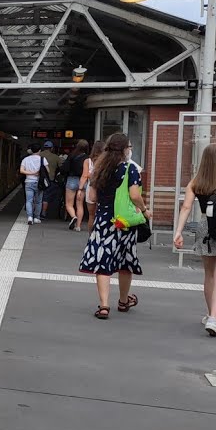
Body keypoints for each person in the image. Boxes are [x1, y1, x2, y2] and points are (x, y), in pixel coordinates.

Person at [80, 133, 149, 319]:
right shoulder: (130, 169)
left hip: (103, 221)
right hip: (123, 222)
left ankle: (104, 305)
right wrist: (144, 210)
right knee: (125, 261)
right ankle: (124, 301)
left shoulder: (99, 169)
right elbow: (135, 195)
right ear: (125, 149)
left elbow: (92, 198)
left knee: (103, 261)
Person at [172, 143, 216, 337]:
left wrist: (178, 232)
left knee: (209, 275)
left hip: (206, 227)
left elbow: (186, 208)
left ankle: (209, 314)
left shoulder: (196, 181)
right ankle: (215, 318)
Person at [63, 139, 90, 231]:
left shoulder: (71, 156)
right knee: (80, 204)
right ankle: (78, 226)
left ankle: (73, 216)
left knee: (69, 204)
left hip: (72, 179)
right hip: (83, 181)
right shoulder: (88, 158)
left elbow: (65, 168)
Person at [18, 145, 47, 224]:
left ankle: (30, 217)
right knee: (38, 201)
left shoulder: (25, 159)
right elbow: (47, 171)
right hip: (39, 183)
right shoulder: (43, 159)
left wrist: (31, 173)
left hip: (28, 182)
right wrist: (37, 173)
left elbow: (21, 171)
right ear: (39, 150)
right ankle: (37, 218)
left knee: (29, 201)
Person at [83, 140, 105, 234]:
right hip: (102, 187)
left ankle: (91, 237)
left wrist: (80, 189)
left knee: (91, 215)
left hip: (91, 187)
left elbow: (85, 175)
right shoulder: (106, 161)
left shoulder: (88, 161)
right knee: (102, 214)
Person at [39, 140, 63, 221]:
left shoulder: (38, 155)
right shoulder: (56, 157)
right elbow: (62, 167)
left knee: (37, 196)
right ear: (52, 148)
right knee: (46, 197)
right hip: (49, 180)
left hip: (38, 179)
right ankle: (43, 213)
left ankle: (35, 213)